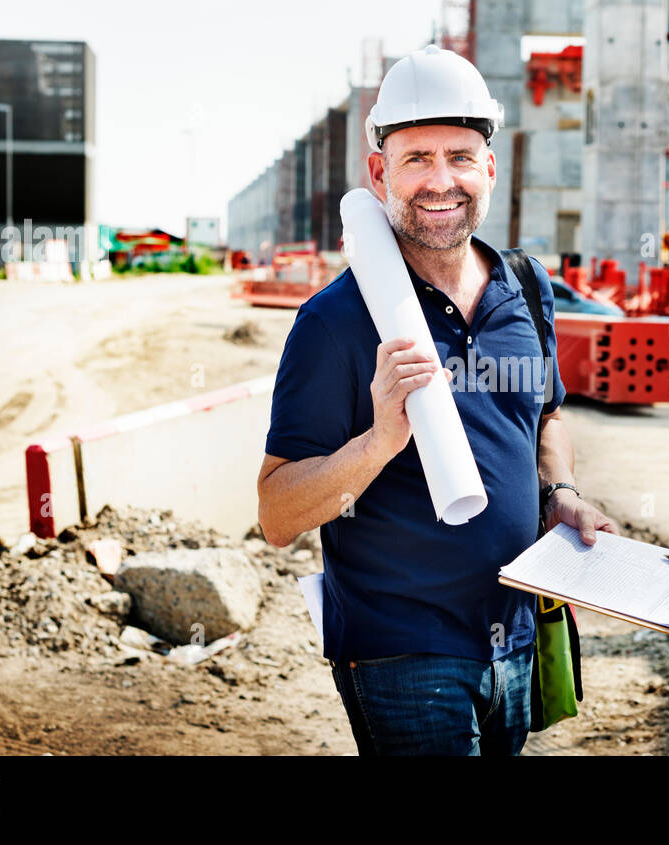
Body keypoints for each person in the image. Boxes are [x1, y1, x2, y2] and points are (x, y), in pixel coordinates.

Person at [256, 44, 618, 756]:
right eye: (416, 157)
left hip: (516, 631)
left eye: (459, 154)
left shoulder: (526, 284)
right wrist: (378, 440)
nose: (440, 180)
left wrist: (561, 491)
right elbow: (275, 512)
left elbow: (544, 416)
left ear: (490, 164)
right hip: (402, 652)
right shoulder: (337, 322)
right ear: (378, 171)